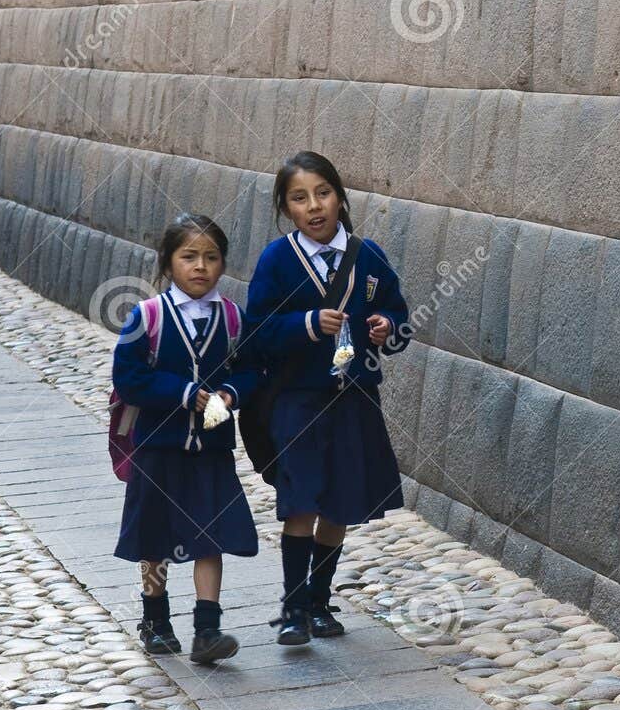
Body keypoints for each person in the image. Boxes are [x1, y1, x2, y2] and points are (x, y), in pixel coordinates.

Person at [242, 151, 410, 642]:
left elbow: (398, 316)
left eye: (323, 193)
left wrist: (387, 328)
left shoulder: (369, 256)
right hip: (298, 399)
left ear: (339, 197)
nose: (314, 206)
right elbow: (256, 331)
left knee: (337, 504)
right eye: (300, 198)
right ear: (286, 208)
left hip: (353, 397)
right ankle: (293, 609)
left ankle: (320, 602)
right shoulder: (277, 261)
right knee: (301, 501)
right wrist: (306, 324)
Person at [112, 213, 258, 663]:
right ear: (168, 263)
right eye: (189, 256)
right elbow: (129, 377)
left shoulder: (233, 318)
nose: (201, 267)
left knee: (208, 534)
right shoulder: (148, 316)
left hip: (210, 451)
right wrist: (183, 393)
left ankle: (207, 630)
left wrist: (231, 393)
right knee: (154, 534)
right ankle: (155, 618)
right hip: (157, 447)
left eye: (211, 257)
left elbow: (253, 369)